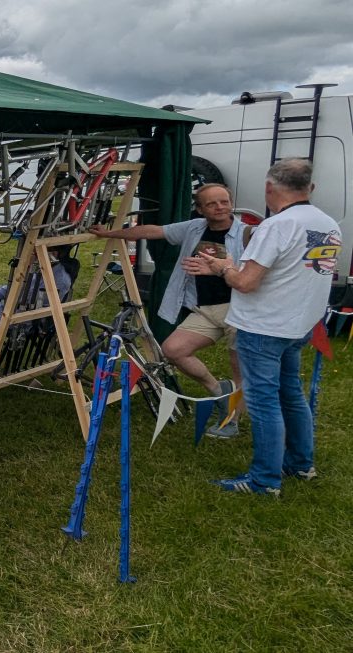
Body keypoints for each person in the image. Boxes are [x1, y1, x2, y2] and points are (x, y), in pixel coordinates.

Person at [185, 158, 342, 496]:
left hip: (265, 326)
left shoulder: (276, 226)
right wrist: (230, 267)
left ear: (269, 188)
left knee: (263, 401)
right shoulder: (328, 224)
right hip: (299, 324)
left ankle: (264, 480)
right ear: (310, 187)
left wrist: (222, 269)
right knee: (291, 393)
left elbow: (245, 282)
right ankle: (300, 464)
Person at [91, 183, 246, 436]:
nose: (220, 207)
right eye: (211, 204)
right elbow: (153, 231)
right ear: (200, 209)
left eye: (224, 202)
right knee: (173, 350)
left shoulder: (247, 234)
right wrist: (110, 233)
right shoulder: (195, 227)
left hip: (240, 309)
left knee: (240, 367)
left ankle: (231, 421)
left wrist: (222, 270)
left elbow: (256, 276)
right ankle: (219, 391)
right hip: (205, 308)